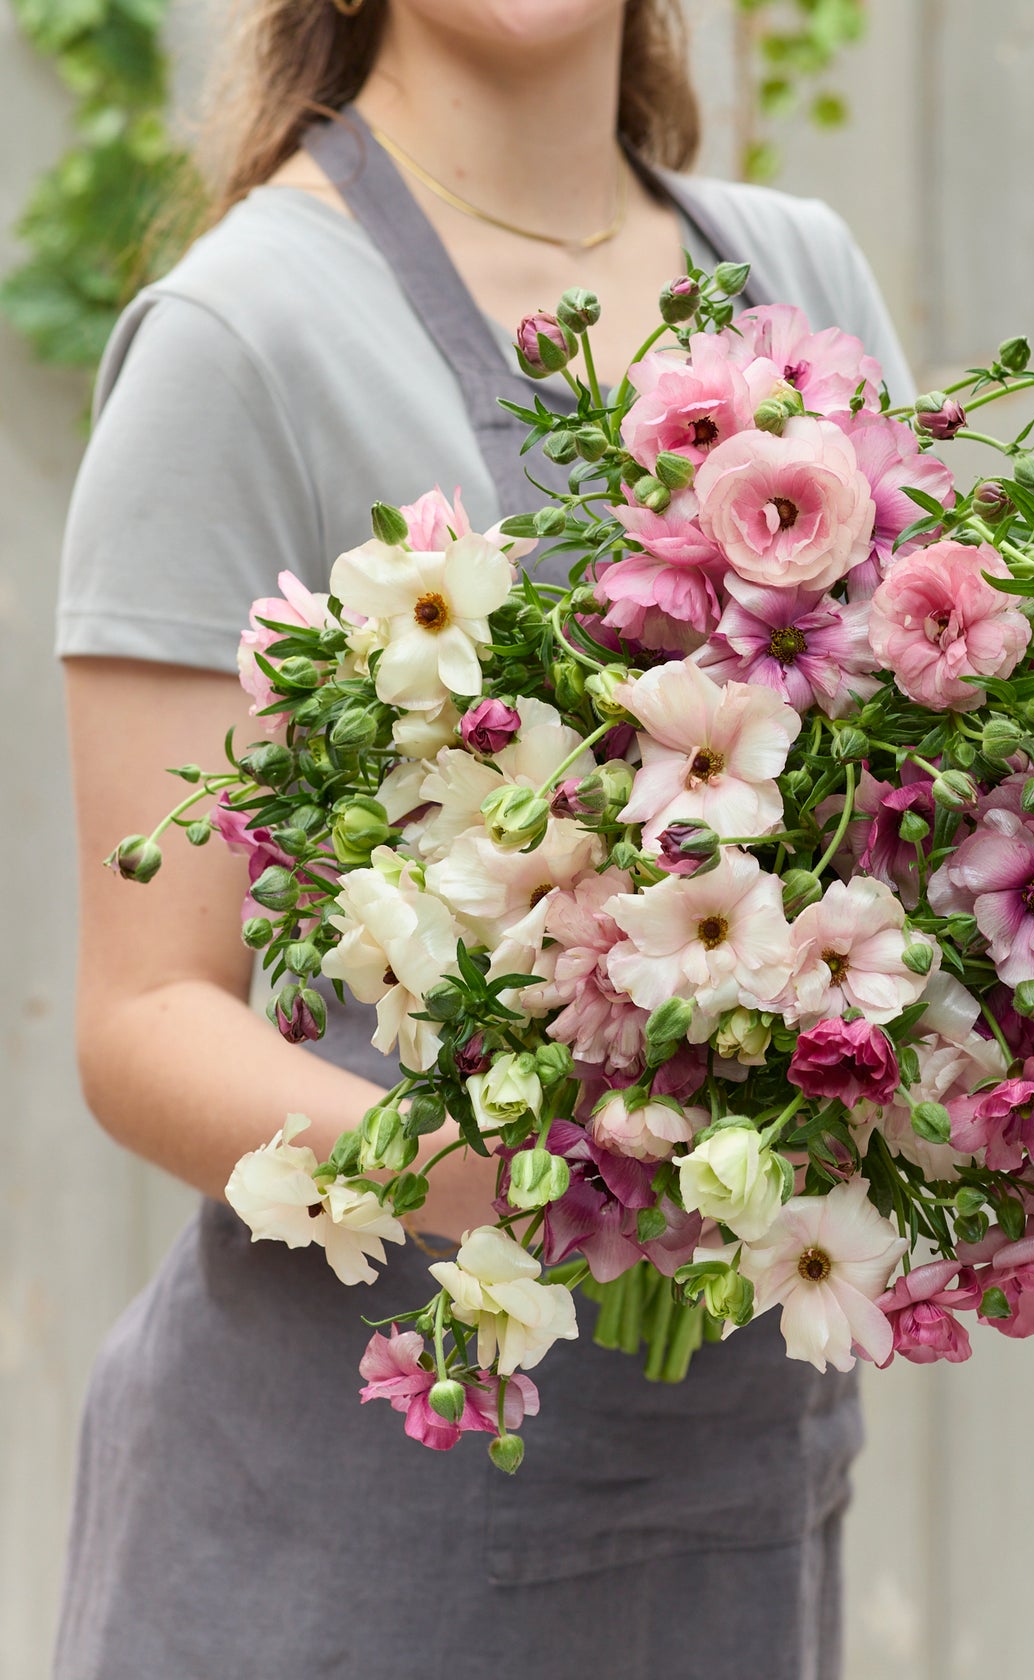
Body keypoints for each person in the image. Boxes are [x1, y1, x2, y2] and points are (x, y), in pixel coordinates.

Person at [53, 3, 912, 1675]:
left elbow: (921, 819)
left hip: (731, 1487)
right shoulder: (246, 331)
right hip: (350, 1512)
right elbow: (146, 1019)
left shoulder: (798, 275)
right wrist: (566, 1175)